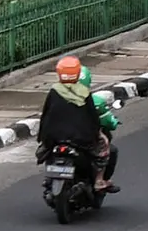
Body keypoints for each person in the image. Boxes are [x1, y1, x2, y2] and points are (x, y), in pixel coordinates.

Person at [38, 55, 119, 193]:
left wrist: (43, 136)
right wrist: (97, 133)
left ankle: (49, 178)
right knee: (103, 145)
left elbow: (46, 114)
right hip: (80, 139)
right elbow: (92, 117)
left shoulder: (54, 90)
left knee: (43, 151)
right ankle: (99, 181)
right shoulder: (84, 93)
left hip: (55, 136)